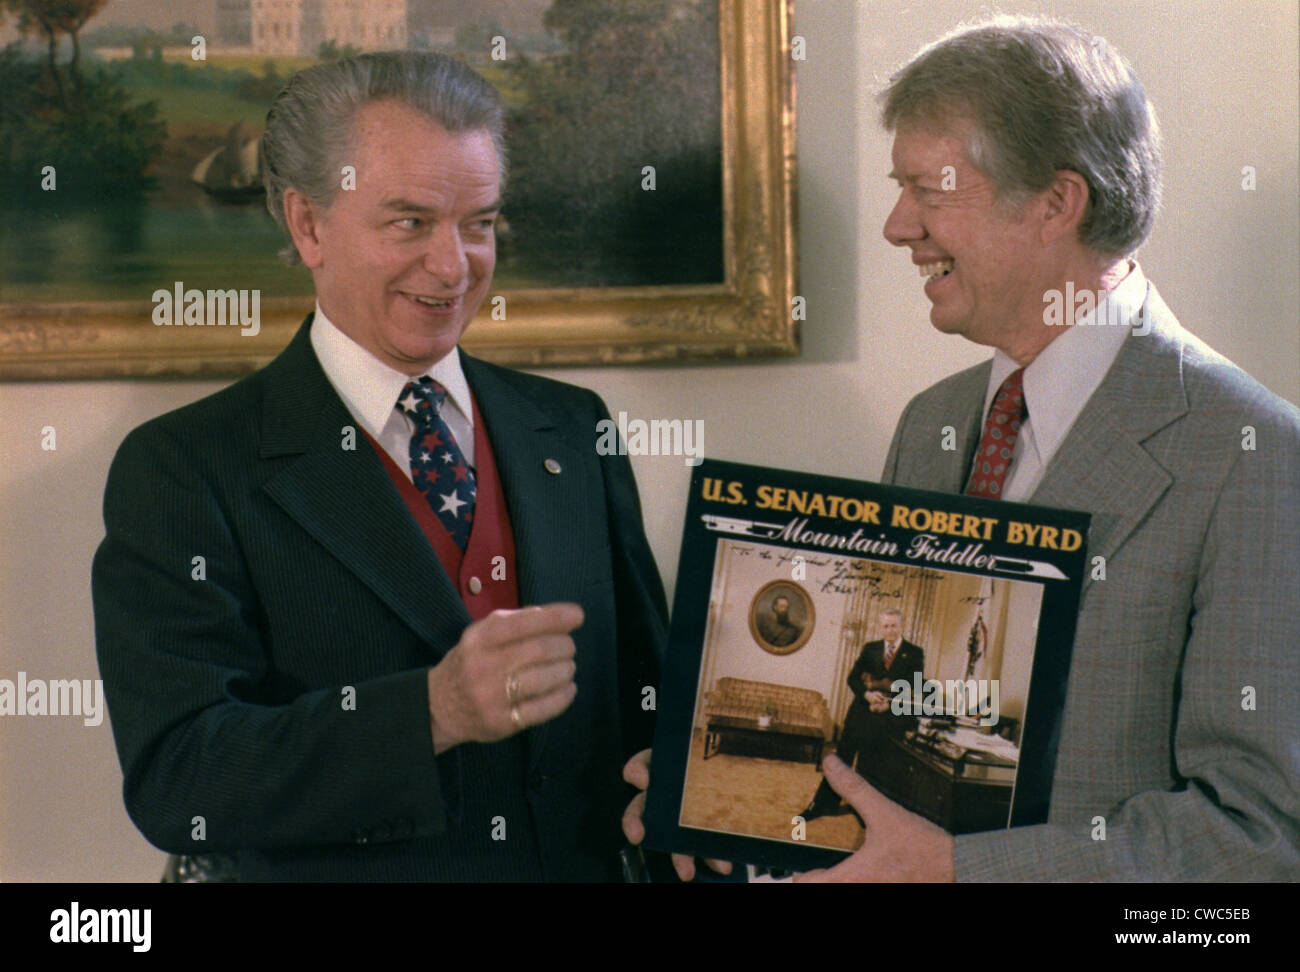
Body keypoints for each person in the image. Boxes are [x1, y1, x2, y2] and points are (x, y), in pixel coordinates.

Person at [91, 51, 668, 882]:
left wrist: (674, 788)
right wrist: (431, 712)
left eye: (479, 222)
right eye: (410, 223)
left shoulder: (574, 429)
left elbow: (647, 700)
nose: (454, 265)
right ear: (308, 225)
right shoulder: (185, 469)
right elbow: (182, 780)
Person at [794, 16, 1299, 881]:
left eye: (929, 188)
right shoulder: (933, 423)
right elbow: (893, 730)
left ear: (1057, 203)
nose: (895, 225)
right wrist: (718, 808)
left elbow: (1258, 842)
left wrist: (964, 876)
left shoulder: (1251, 454)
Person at [800, 608, 924, 821]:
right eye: (885, 626)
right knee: (841, 761)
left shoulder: (914, 653)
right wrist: (866, 694)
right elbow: (852, 679)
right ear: (880, 627)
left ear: (901, 625)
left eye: (894, 625)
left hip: (887, 718)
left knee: (872, 765)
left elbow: (916, 688)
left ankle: (864, 812)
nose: (890, 630)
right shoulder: (870, 649)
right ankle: (822, 805)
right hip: (860, 715)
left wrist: (891, 703)